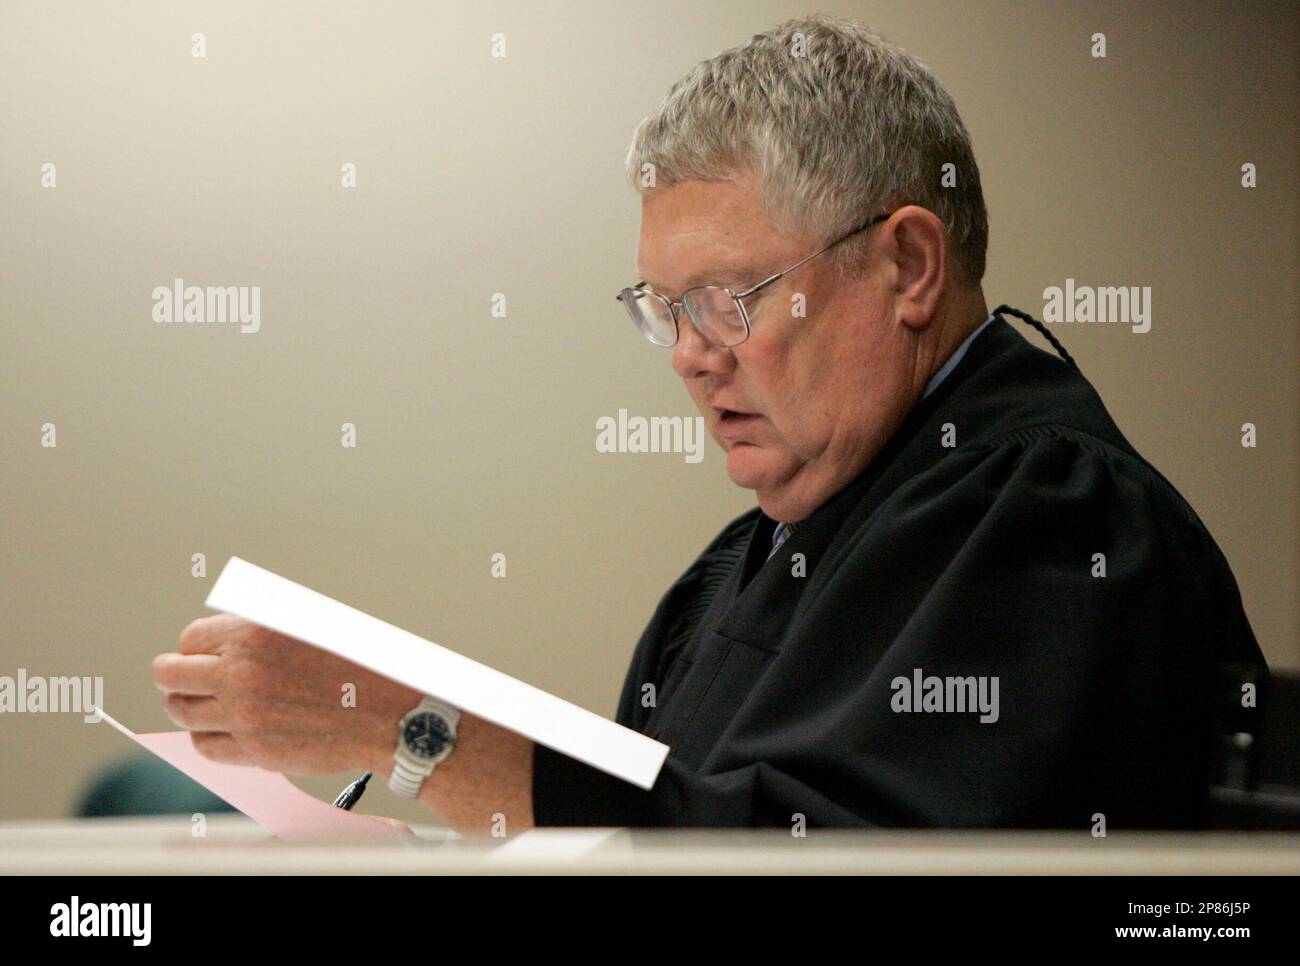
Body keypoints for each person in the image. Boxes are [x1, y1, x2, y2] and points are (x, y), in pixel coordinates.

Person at [151, 14, 1264, 831]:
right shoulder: (748, 558)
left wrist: (403, 724)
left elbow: (819, 869)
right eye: (664, 311)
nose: (689, 355)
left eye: (728, 299)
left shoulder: (1045, 512)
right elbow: (649, 817)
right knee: (149, 801)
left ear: (909, 265)